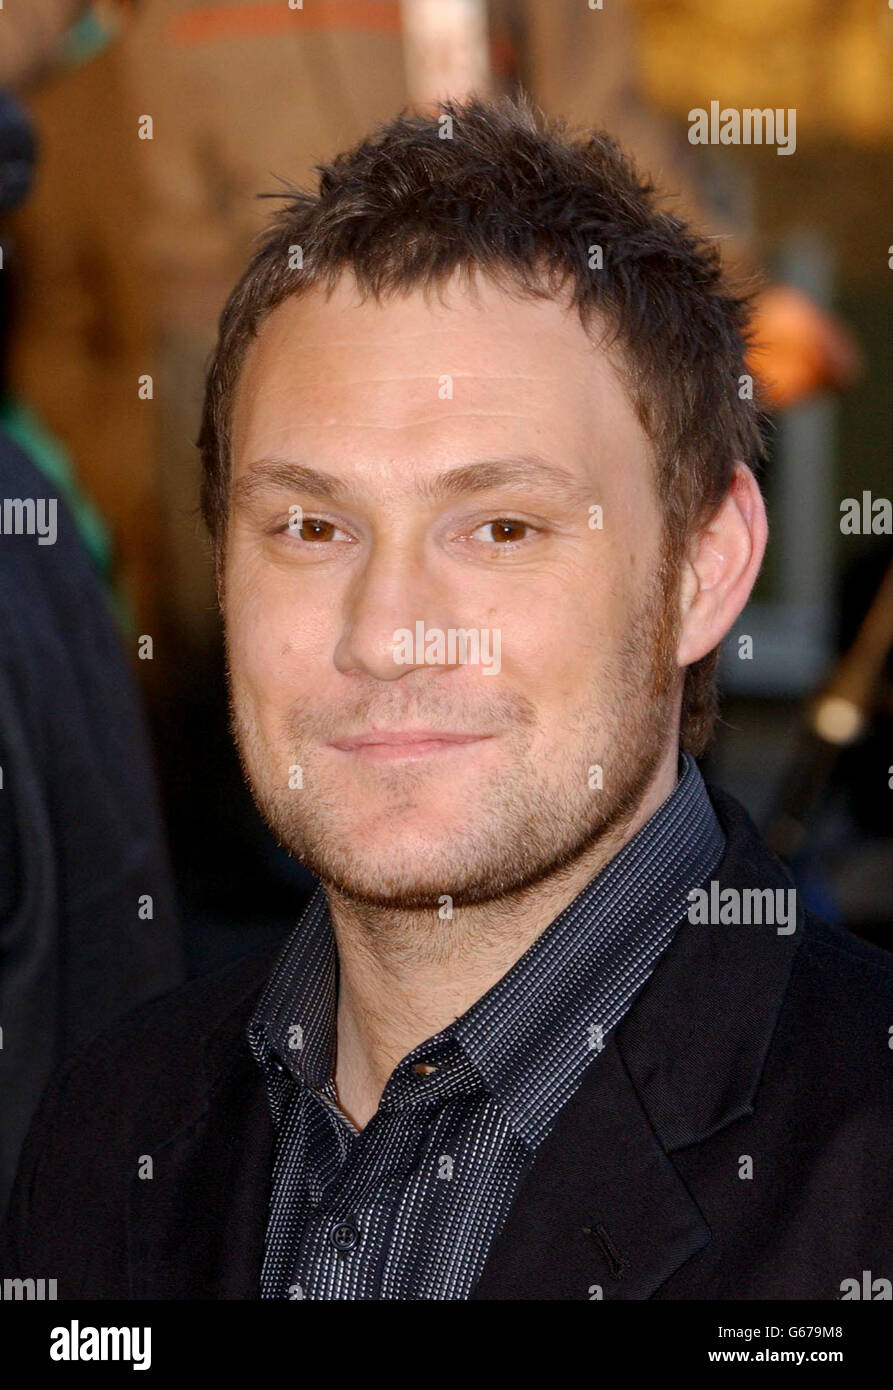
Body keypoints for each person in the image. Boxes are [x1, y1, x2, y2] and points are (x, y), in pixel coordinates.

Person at [3, 95, 892, 1300]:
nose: (384, 633)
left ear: (705, 565)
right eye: (309, 526)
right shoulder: (106, 1133)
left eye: (499, 526)